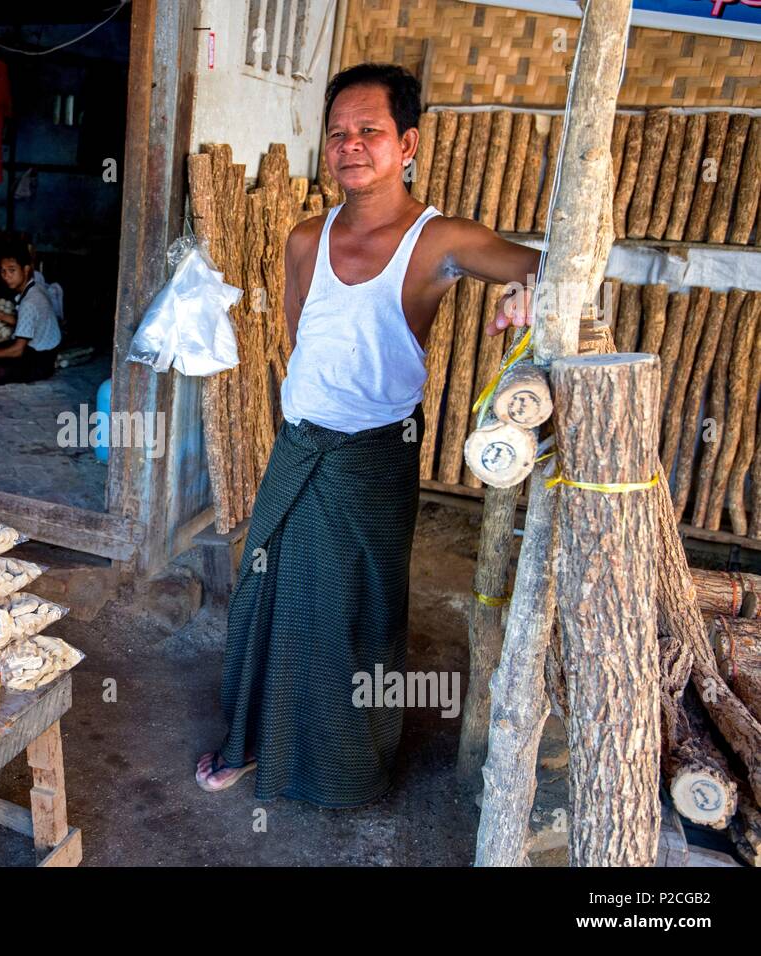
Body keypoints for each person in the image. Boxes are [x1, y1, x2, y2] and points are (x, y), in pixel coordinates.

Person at [195, 63, 541, 805]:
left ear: (407, 143)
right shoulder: (303, 237)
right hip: (300, 449)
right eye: (339, 134)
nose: (351, 146)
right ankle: (257, 740)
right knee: (271, 596)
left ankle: (341, 769)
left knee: (357, 614)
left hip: (374, 463)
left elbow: (542, 267)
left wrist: (526, 292)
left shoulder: (438, 238)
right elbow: (299, 334)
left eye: (370, 132)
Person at [0, 243, 62, 385]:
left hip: (40, 360)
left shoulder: (30, 302)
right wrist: (0, 315)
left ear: (26, 269)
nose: (6, 276)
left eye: (12, 270)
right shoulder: (36, 286)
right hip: (39, 349)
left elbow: (17, 351)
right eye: (3, 271)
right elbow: (31, 322)